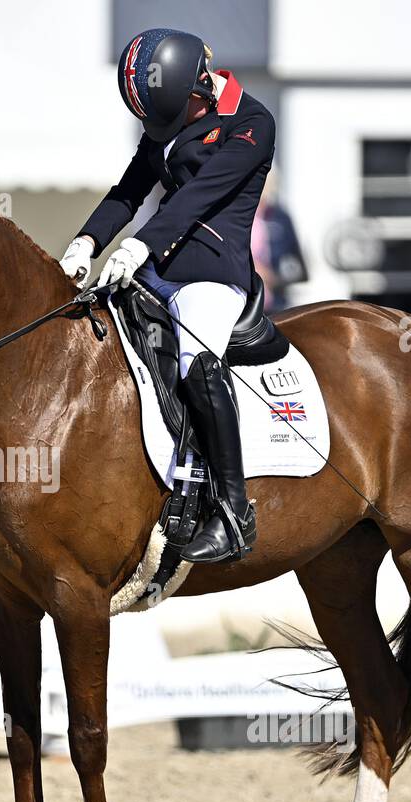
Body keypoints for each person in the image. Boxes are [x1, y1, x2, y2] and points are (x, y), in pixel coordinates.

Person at [59, 28, 274, 563]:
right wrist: (87, 241)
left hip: (213, 273)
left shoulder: (252, 125)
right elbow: (130, 190)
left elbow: (200, 197)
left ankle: (232, 511)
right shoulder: (168, 119)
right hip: (156, 265)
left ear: (201, 86)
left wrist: (139, 246)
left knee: (197, 365)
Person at [251, 170, 306, 312]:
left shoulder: (280, 218)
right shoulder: (234, 216)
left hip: (275, 303)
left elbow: (298, 266)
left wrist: (274, 277)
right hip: (244, 299)